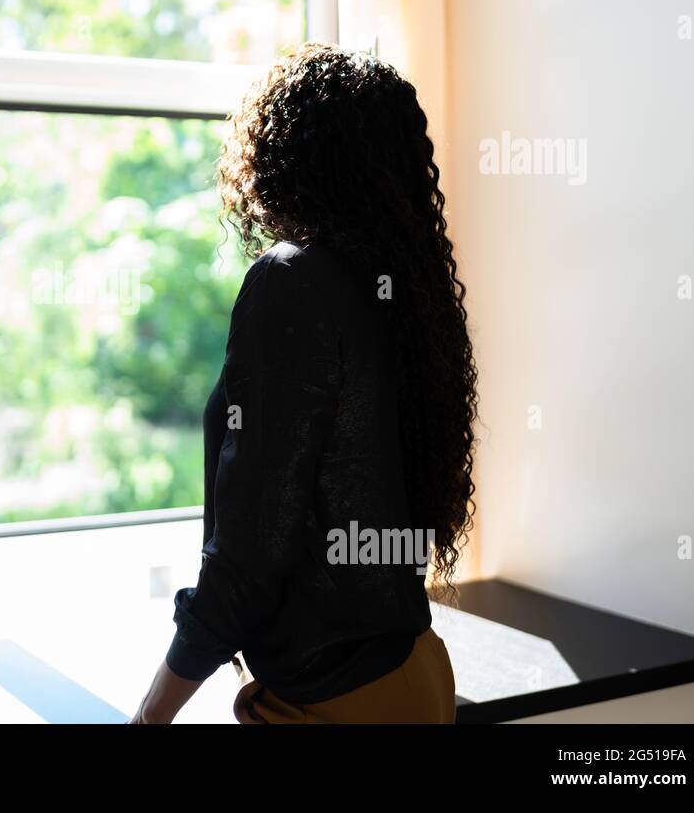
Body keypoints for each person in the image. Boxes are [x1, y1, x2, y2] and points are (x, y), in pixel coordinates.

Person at [130, 44, 475, 724]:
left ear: (285, 158)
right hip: (416, 672)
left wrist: (150, 714)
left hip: (338, 701)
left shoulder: (293, 282)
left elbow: (254, 545)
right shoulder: (402, 293)